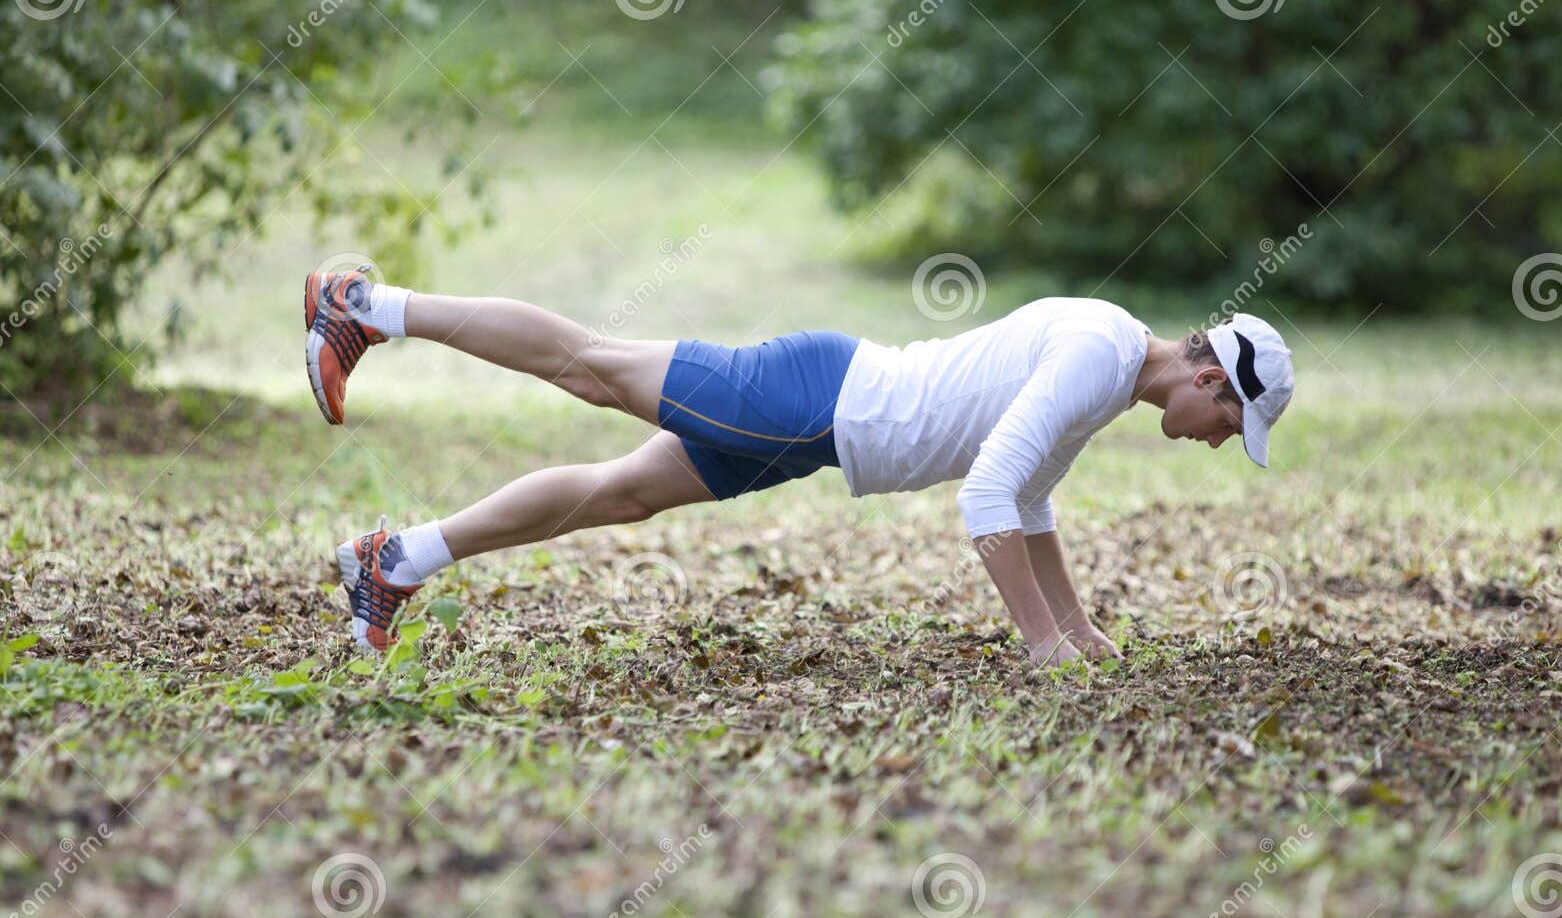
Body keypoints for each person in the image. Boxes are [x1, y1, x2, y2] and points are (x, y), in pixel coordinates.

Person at [304, 265, 1295, 664]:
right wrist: (1040, 645)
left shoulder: (1110, 364)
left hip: (821, 431)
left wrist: (1079, 629)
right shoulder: (1099, 354)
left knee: (622, 492)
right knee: (592, 367)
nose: (1218, 440)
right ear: (1210, 374)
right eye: (1229, 421)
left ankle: (394, 560)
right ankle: (366, 305)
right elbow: (987, 494)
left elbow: (1028, 500)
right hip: (815, 395)